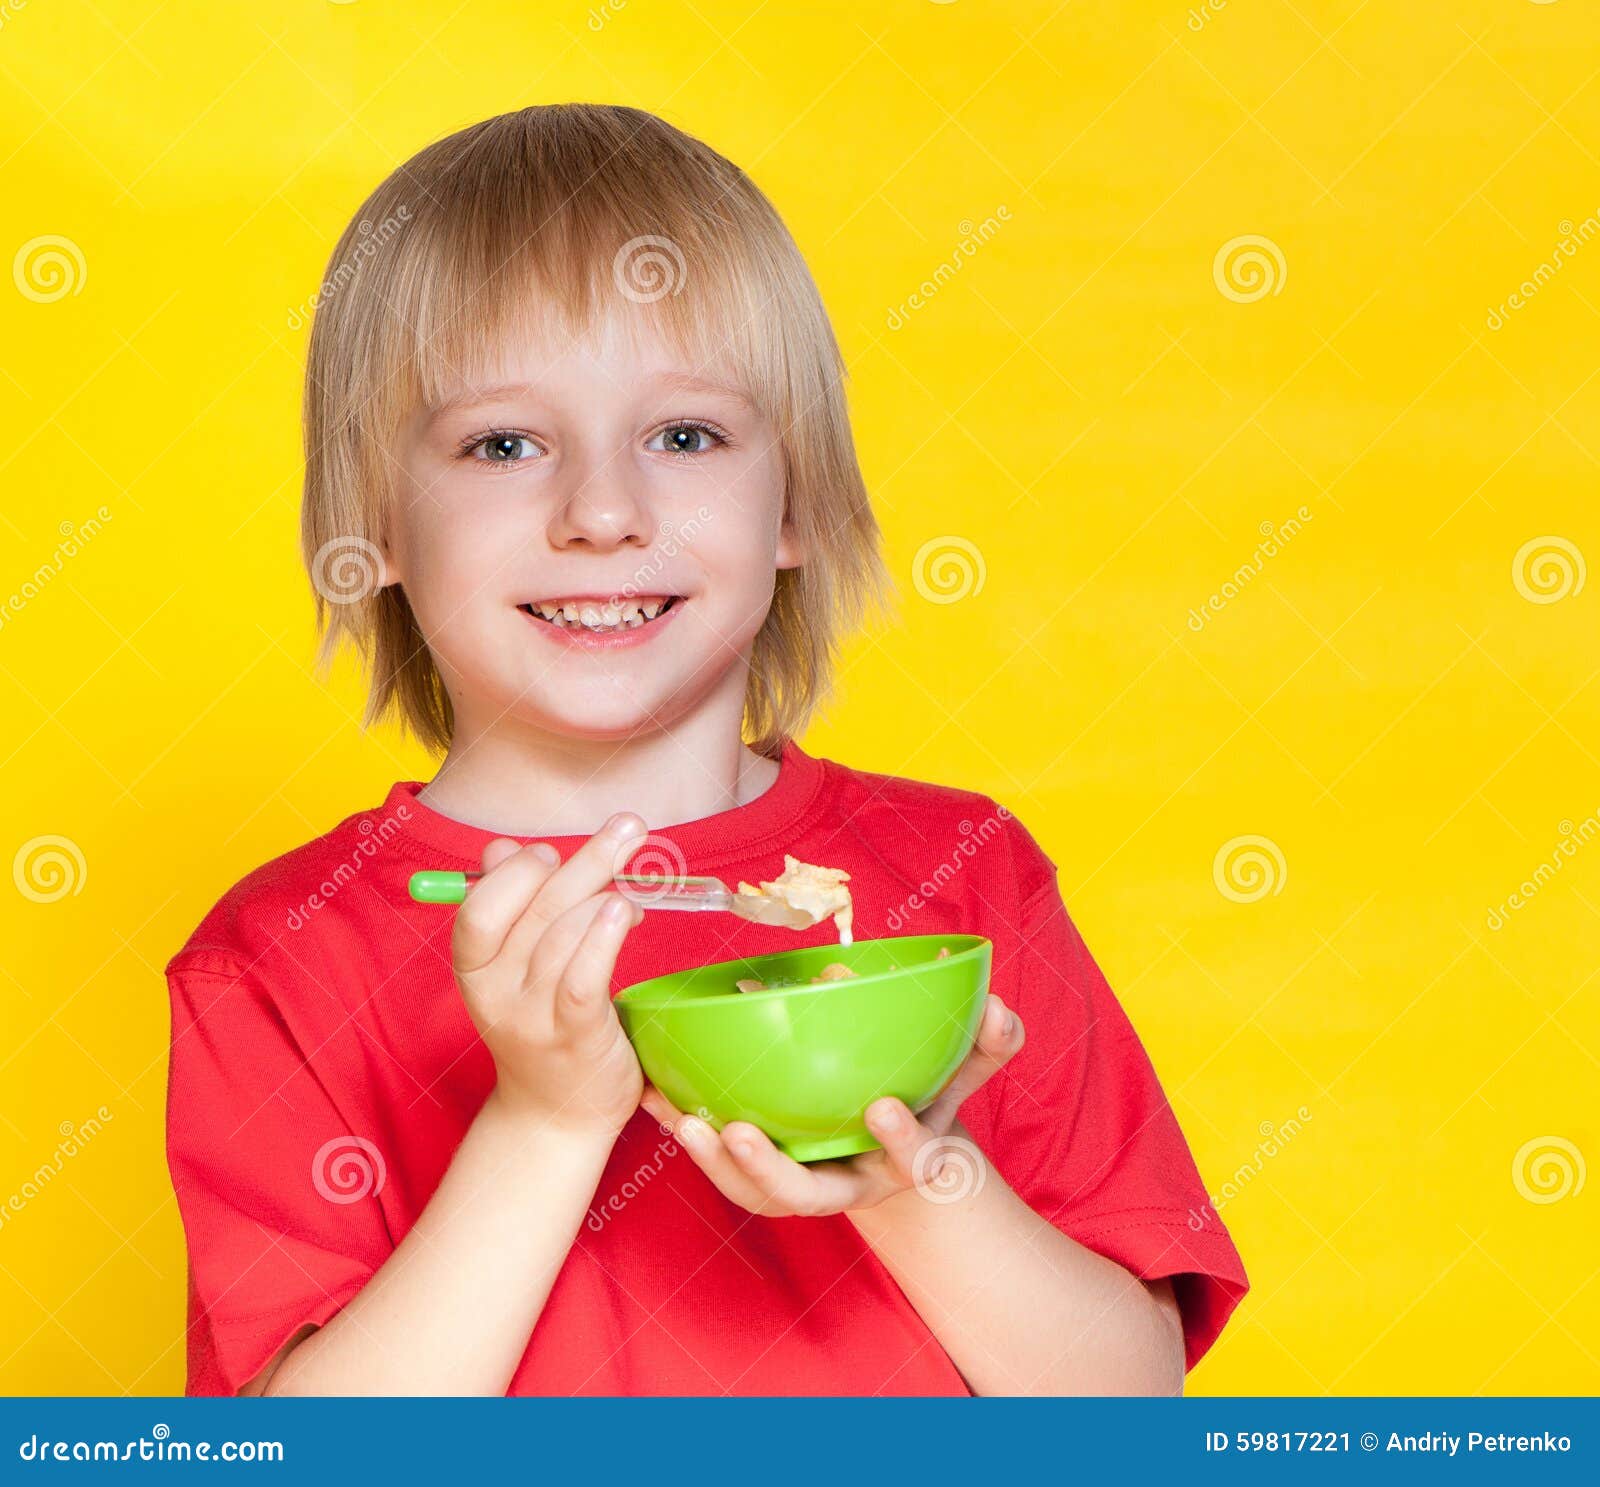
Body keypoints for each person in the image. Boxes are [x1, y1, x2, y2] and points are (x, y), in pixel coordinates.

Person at [163, 103, 1247, 1396]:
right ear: (377, 526)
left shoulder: (964, 878)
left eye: (685, 437)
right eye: (504, 444)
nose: (603, 512)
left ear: (794, 504)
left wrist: (915, 1173)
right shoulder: (281, 957)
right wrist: (542, 1122)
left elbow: (1127, 1409)